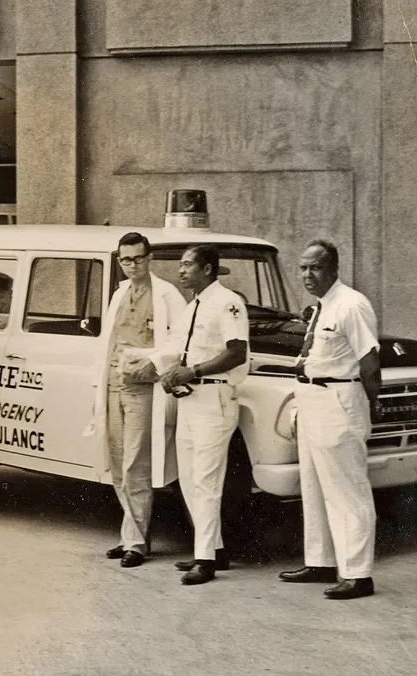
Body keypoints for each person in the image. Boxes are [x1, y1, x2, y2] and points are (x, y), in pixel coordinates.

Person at [279, 240, 380, 600]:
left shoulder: (352, 305)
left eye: (316, 268)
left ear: (334, 269)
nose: (308, 274)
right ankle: (320, 561)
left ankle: (358, 574)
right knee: (314, 487)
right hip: (312, 401)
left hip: (339, 401)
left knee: (347, 491)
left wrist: (371, 404)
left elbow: (369, 364)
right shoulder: (322, 307)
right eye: (304, 268)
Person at [148, 245, 249, 585]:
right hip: (190, 400)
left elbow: (237, 353)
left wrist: (192, 371)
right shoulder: (192, 306)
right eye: (180, 265)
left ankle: (204, 559)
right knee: (189, 477)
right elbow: (176, 348)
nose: (181, 271)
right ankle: (214, 549)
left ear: (207, 269)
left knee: (206, 479)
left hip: (214, 398)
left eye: (188, 265)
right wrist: (167, 372)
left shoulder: (228, 302)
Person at [102, 232, 186, 568]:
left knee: (136, 463)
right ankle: (131, 535)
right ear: (119, 262)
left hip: (142, 387)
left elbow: (180, 341)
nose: (133, 265)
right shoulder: (119, 293)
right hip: (112, 384)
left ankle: (137, 542)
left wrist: (151, 360)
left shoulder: (167, 295)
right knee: (117, 461)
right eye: (126, 260)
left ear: (149, 259)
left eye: (138, 258)